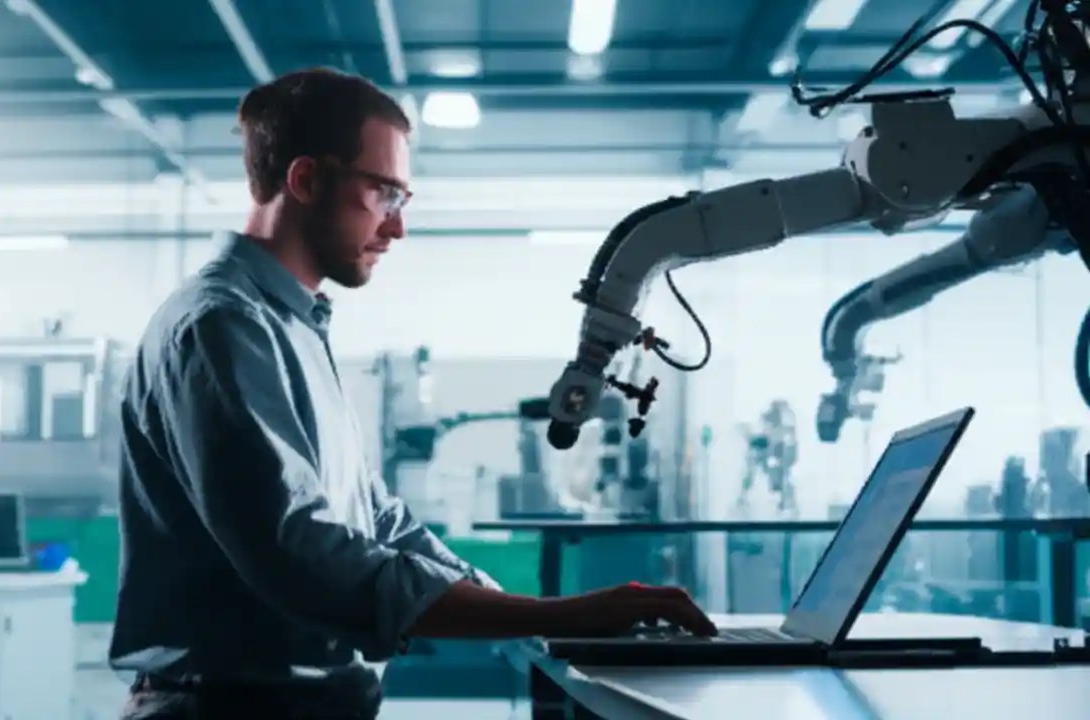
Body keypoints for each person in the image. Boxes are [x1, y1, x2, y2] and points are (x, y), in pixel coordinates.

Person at [110, 67, 717, 720]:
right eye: (383, 195)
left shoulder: (295, 325)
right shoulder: (221, 325)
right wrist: (555, 613)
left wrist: (513, 613)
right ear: (306, 180)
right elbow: (300, 554)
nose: (397, 230)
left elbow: (378, 519)